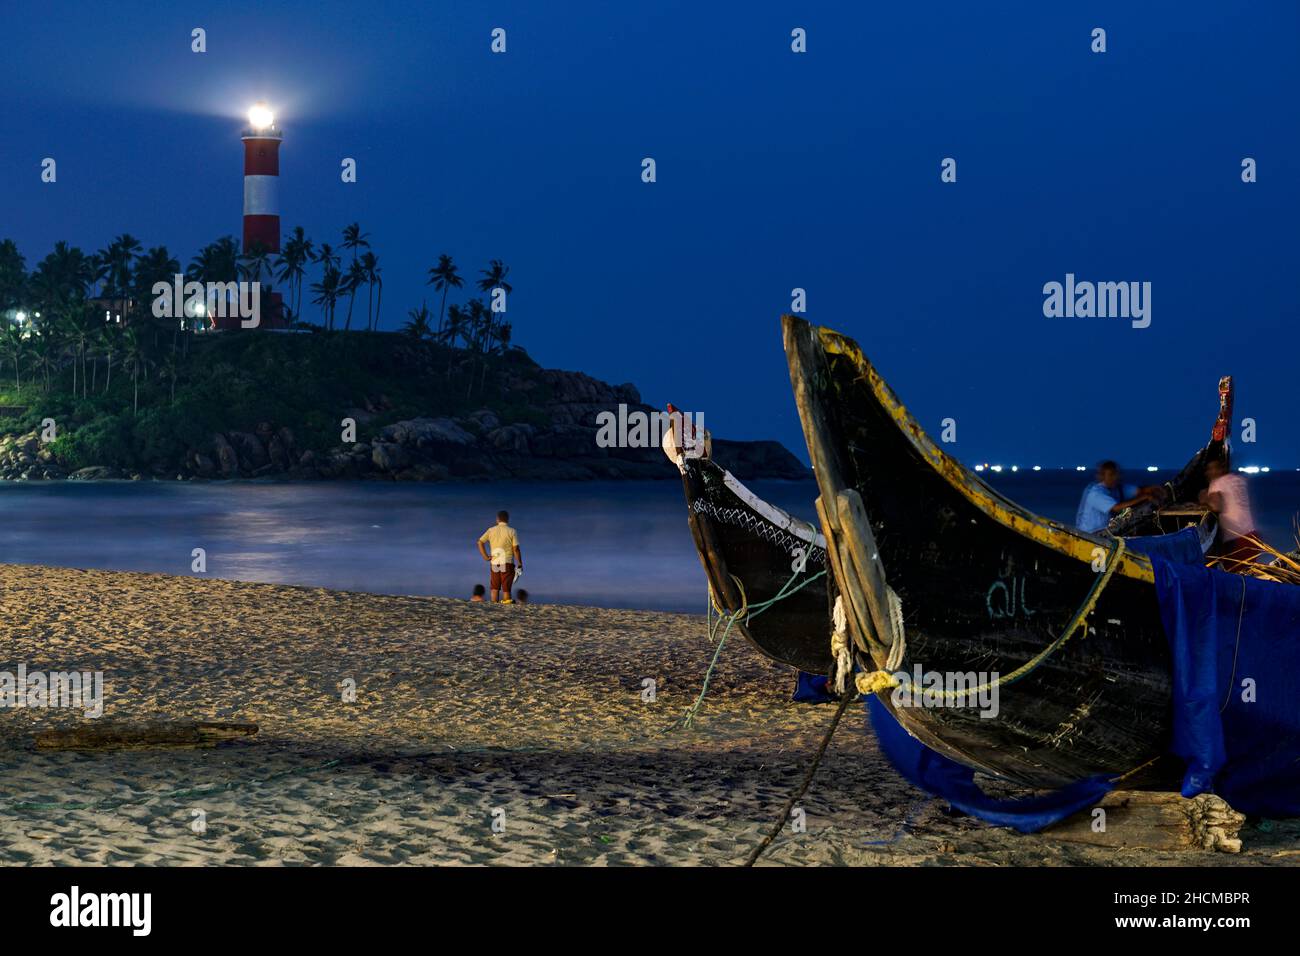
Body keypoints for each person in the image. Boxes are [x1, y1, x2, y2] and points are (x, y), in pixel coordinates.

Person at [1200, 459, 1261, 563]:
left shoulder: (1217, 483)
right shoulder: (1239, 480)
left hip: (1236, 539)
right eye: (1208, 469)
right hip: (1252, 536)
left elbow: (1217, 506)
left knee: (1233, 576)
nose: (1209, 472)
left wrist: (1204, 499)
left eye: (1212, 468)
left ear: (1221, 469)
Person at [1075, 460, 1162, 533]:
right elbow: (1116, 508)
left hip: (1106, 532)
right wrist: (1144, 497)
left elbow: (1139, 490)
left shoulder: (1117, 487)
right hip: (1091, 534)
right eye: (1111, 475)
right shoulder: (1096, 493)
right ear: (1102, 476)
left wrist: (1154, 488)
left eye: (1116, 474)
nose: (1115, 477)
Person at [476, 510, 522, 604]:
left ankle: (494, 606)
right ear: (507, 519)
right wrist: (520, 563)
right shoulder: (512, 531)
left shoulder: (491, 530)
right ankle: (506, 607)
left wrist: (485, 556)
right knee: (506, 588)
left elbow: (480, 542)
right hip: (507, 562)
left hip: (495, 562)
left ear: (497, 519)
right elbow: (516, 549)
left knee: (495, 587)